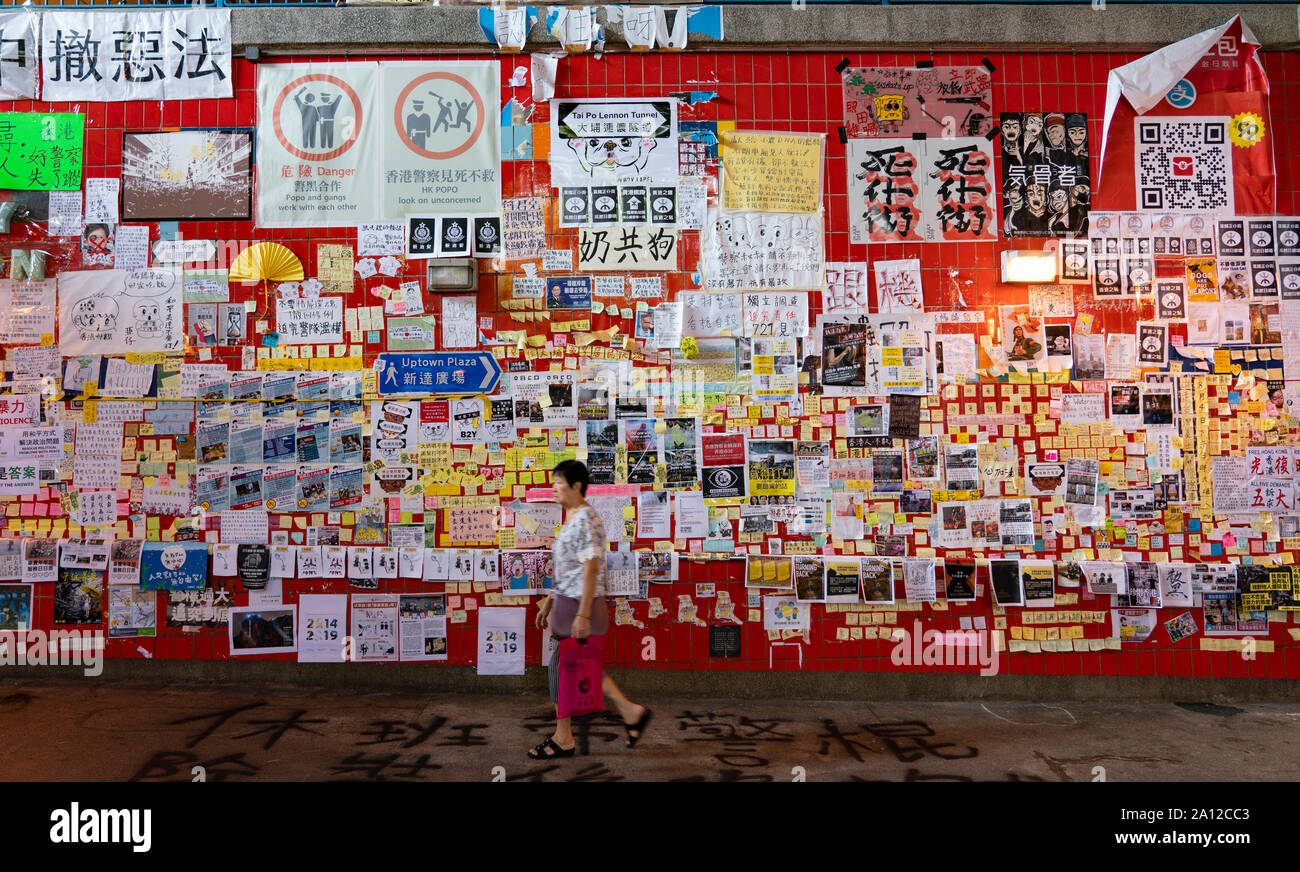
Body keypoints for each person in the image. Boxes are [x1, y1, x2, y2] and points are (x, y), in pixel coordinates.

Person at [529, 459, 651, 759]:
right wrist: (548, 604)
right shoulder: (572, 518)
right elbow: (566, 571)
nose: (554, 487)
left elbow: (591, 569)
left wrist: (582, 615)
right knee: (579, 668)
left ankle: (563, 737)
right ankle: (631, 712)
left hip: (581, 606)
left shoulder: (587, 518)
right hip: (567, 603)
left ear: (577, 486)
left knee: (564, 669)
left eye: (559, 482)